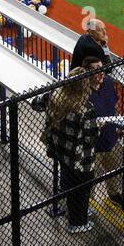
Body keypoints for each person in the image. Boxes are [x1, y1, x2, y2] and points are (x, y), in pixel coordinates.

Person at [43, 69, 101, 233]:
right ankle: (77, 223)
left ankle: (78, 212)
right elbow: (91, 137)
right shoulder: (85, 108)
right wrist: (99, 127)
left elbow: (36, 103)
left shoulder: (54, 96)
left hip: (60, 151)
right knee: (82, 188)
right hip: (79, 157)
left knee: (69, 182)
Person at [80, 54, 124, 203]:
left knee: (115, 169)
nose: (101, 73)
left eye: (102, 68)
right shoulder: (83, 92)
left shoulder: (107, 83)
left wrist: (117, 123)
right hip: (92, 145)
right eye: (96, 70)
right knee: (89, 178)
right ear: (88, 72)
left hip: (111, 137)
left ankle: (113, 194)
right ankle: (87, 204)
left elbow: (115, 105)